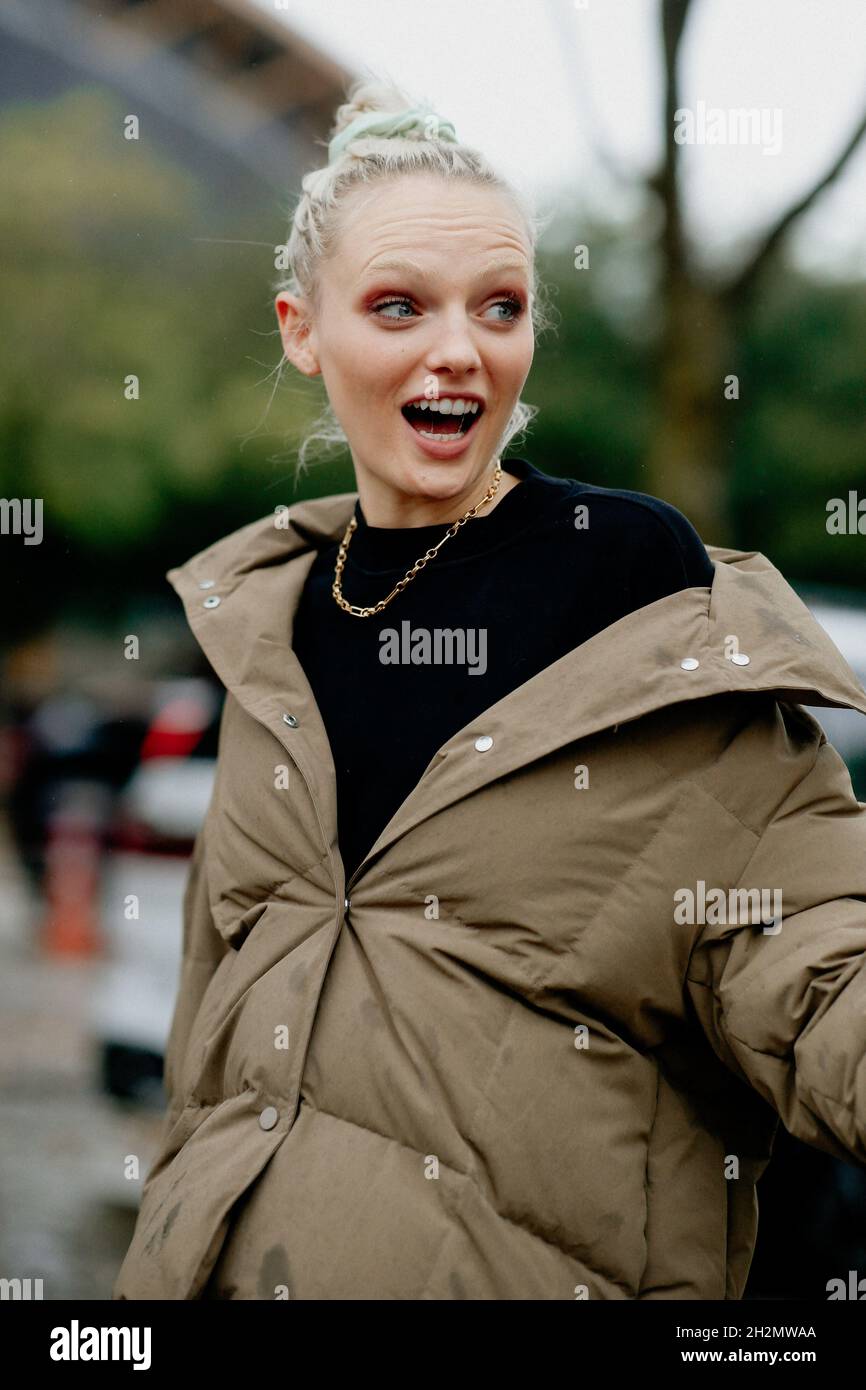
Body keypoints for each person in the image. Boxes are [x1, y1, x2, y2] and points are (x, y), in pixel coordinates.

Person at [113, 78, 866, 1302]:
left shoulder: (624, 578)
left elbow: (810, 939)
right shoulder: (266, 626)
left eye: (498, 306)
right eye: (398, 305)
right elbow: (213, 1040)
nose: (458, 349)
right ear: (303, 330)